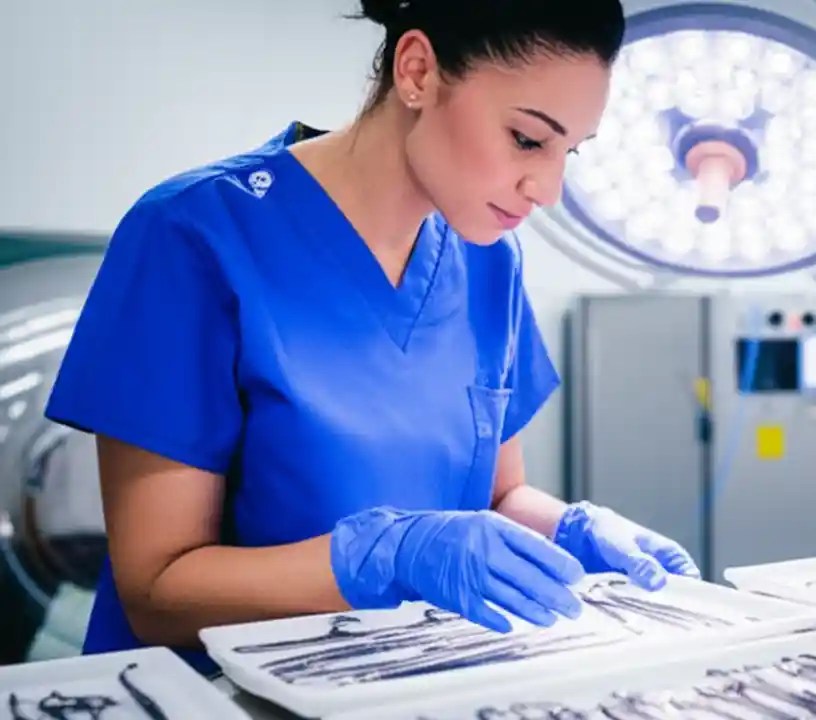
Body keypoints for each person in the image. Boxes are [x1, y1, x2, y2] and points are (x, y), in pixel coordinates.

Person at [44, 0, 700, 674]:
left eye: (571, 151)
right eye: (528, 139)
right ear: (416, 71)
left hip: (403, 684)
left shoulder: (487, 260)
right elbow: (156, 590)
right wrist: (381, 558)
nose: (548, 188)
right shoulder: (196, 235)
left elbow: (499, 498)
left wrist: (575, 532)